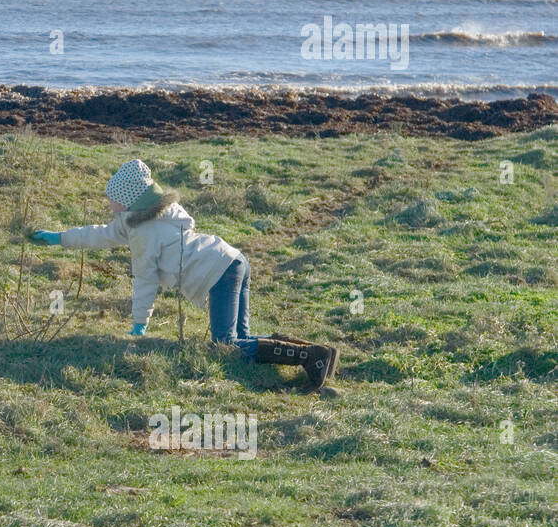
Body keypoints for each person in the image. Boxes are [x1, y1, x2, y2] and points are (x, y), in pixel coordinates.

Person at [30, 158, 339, 390]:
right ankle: (321, 356)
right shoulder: (151, 218)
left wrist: (140, 324)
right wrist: (60, 237)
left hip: (219, 273)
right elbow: (101, 234)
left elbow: (145, 279)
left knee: (226, 345)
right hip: (233, 260)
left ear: (129, 202)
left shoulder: (144, 234)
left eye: (112, 200)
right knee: (240, 339)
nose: (108, 205)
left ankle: (310, 357)